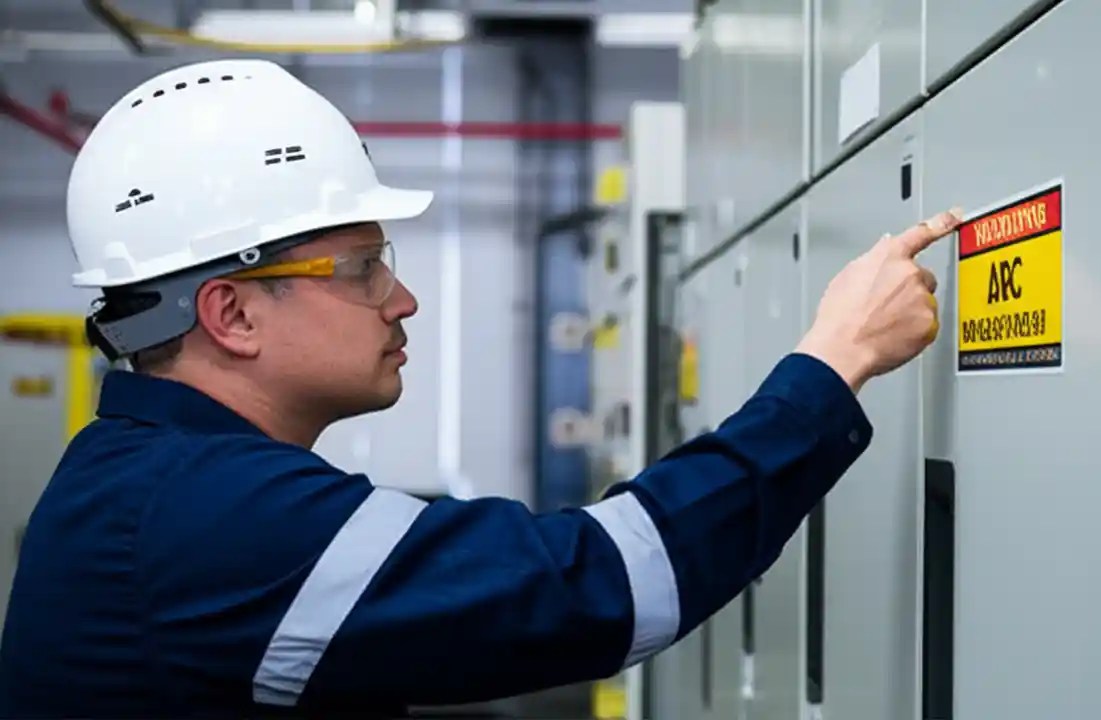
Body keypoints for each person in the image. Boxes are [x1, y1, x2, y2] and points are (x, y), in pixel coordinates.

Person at [0, 57, 960, 717]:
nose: (402, 299)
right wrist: (831, 365)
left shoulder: (149, 483)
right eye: (364, 268)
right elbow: (603, 586)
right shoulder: (209, 516)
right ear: (232, 314)